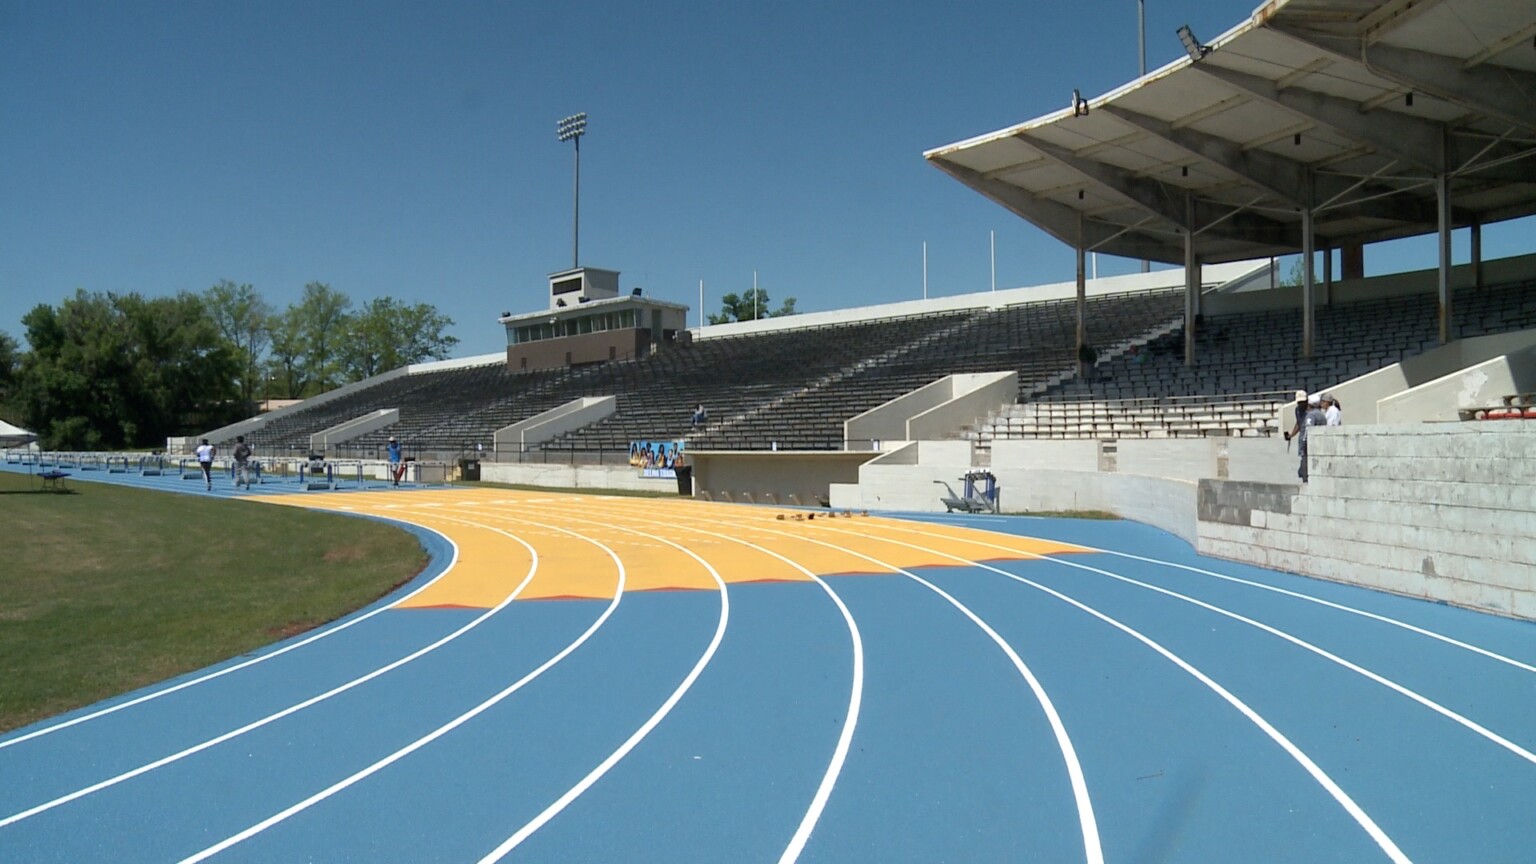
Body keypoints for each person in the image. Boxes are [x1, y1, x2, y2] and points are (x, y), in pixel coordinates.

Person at [1297, 393, 1327, 482]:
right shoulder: (1322, 415)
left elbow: (1308, 430)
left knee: (1305, 472)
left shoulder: (1311, 416)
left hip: (1309, 448)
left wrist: (1303, 445)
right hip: (1319, 446)